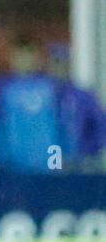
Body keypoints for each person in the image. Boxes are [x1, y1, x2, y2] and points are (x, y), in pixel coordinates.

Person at [0, 40, 61, 174]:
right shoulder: (2, 87)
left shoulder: (52, 86)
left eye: (28, 56)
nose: (24, 61)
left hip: (48, 165)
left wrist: (63, 159)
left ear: (36, 58)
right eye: (20, 57)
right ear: (12, 58)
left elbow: (63, 124)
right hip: (14, 166)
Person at [48, 43, 106, 171]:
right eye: (57, 62)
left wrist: (88, 151)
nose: (60, 67)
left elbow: (101, 127)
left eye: (64, 62)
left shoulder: (84, 96)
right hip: (46, 166)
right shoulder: (42, 96)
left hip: (79, 165)